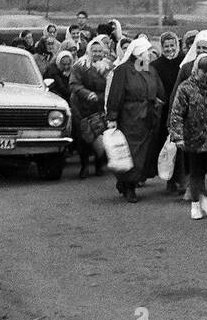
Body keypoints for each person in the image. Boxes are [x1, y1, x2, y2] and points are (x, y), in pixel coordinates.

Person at [168, 54, 207, 221]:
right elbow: (177, 114)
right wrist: (178, 137)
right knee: (196, 172)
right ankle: (196, 204)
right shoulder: (185, 88)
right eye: (205, 72)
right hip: (193, 137)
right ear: (196, 70)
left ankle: (206, 196)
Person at [105, 37, 165, 203]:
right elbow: (116, 94)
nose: (149, 54)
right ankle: (128, 185)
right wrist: (112, 117)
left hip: (148, 117)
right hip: (130, 117)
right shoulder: (123, 70)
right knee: (131, 153)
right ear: (138, 53)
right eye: (146, 52)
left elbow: (158, 88)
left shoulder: (147, 68)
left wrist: (159, 100)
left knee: (144, 154)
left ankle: (130, 181)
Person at [69, 38, 111, 179]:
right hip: (83, 107)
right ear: (89, 51)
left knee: (101, 137)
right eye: (94, 51)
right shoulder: (80, 66)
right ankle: (84, 165)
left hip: (100, 107)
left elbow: (112, 85)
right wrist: (87, 94)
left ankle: (99, 165)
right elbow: (74, 84)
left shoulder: (108, 66)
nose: (97, 54)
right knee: (83, 138)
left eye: (100, 51)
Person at [149, 32, 185, 188]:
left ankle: (181, 179)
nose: (169, 49)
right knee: (167, 145)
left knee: (181, 145)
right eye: (166, 46)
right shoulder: (155, 65)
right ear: (161, 47)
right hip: (164, 110)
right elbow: (147, 80)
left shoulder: (183, 61)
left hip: (182, 108)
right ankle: (170, 178)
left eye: (172, 45)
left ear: (177, 45)